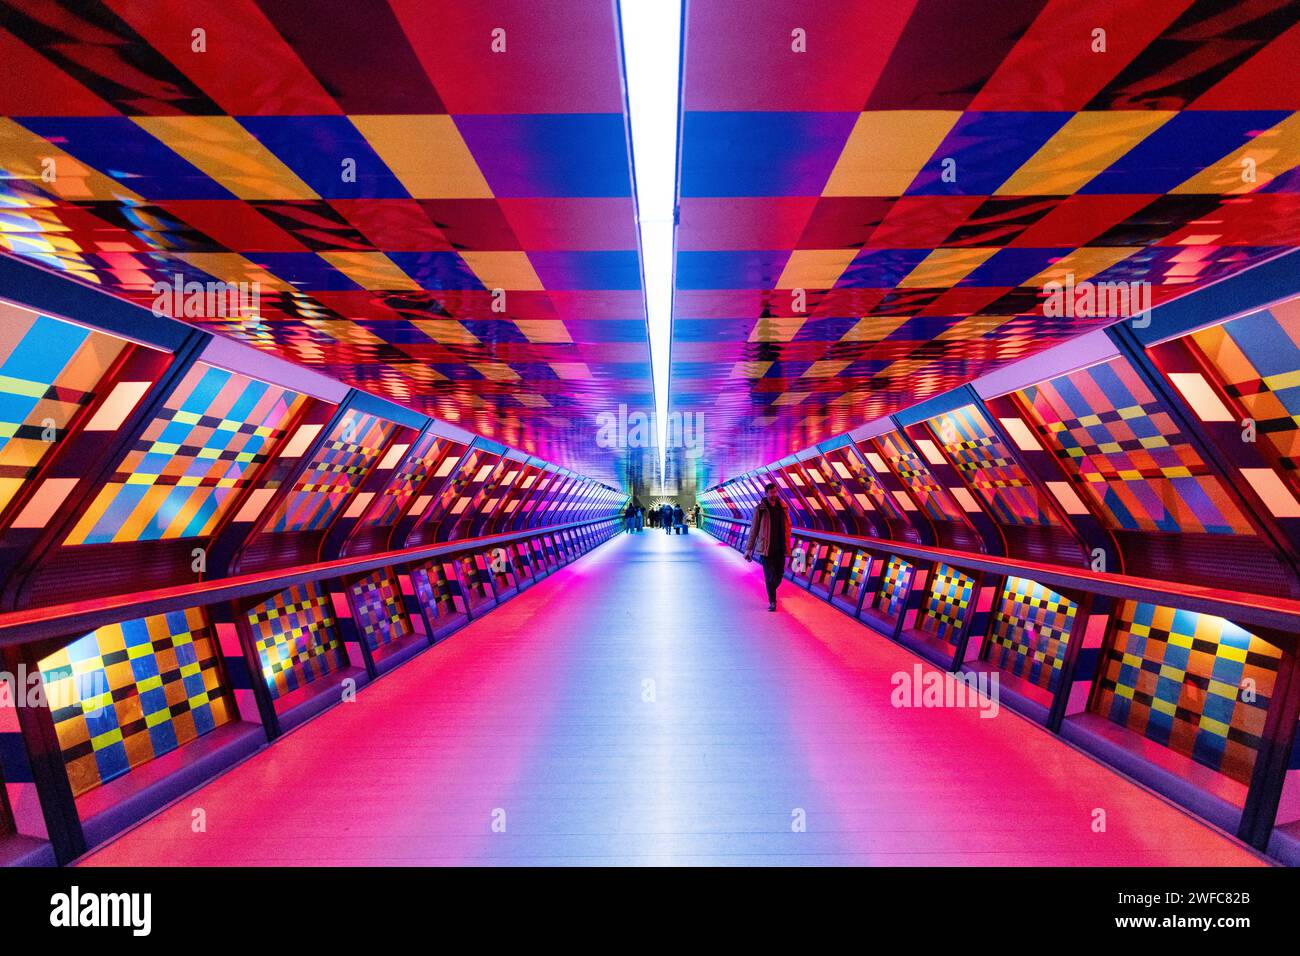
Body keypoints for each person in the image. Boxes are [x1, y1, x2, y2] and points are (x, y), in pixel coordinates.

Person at [744, 482, 792, 611]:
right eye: (771, 492)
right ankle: (772, 602)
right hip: (766, 548)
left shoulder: (783, 507)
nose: (774, 494)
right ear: (766, 493)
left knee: (780, 574)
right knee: (770, 576)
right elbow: (754, 530)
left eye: (775, 492)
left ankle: (771, 589)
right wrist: (749, 549)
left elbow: (788, 526)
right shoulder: (760, 509)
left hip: (781, 547)